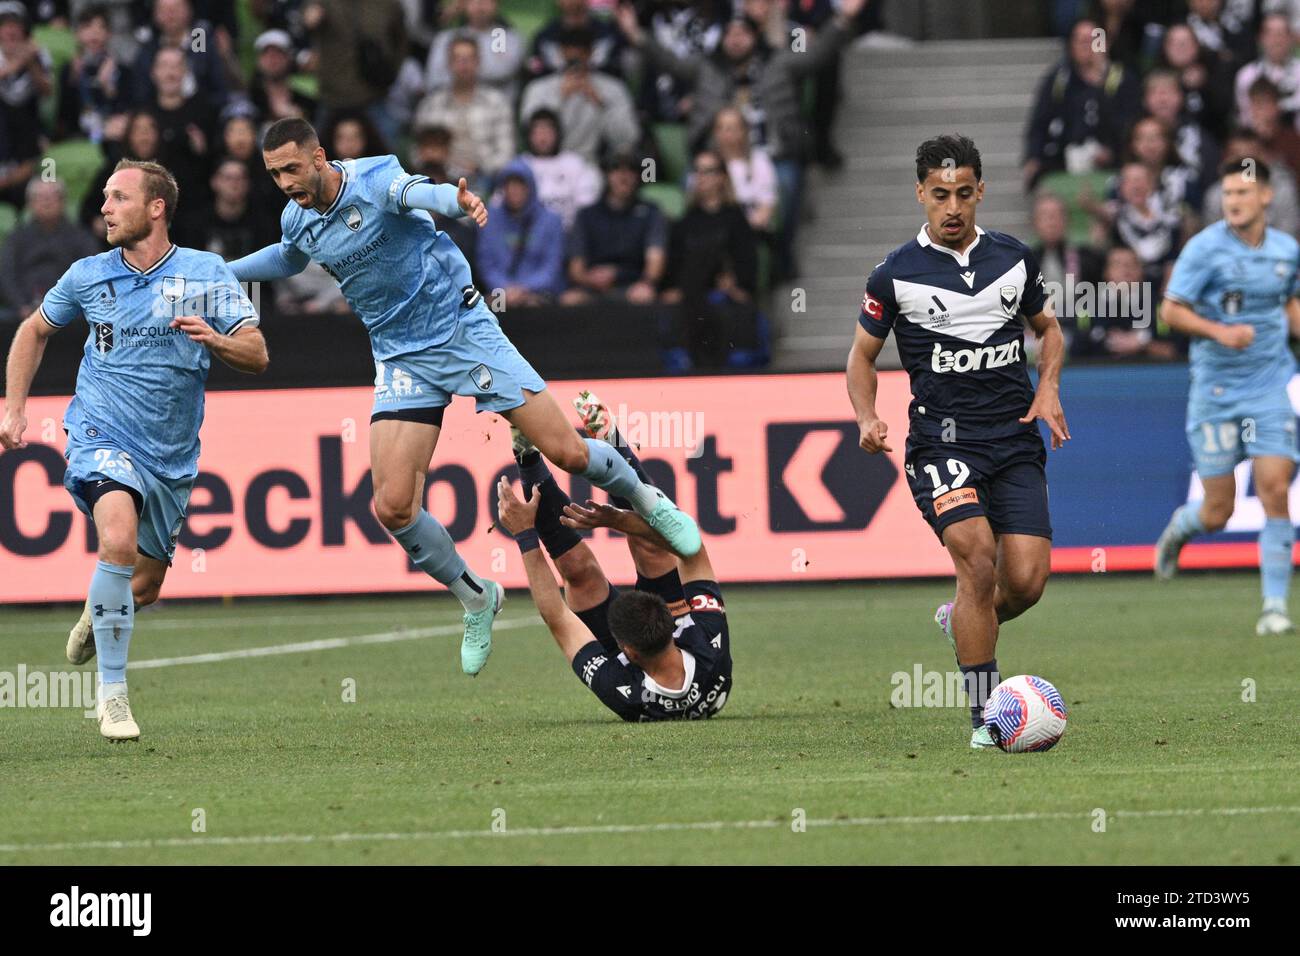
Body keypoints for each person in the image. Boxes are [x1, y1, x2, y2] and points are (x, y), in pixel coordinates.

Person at [226, 118, 703, 676]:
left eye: (291, 168)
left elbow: (415, 192)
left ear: (319, 157)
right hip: (400, 356)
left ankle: (650, 502)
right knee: (392, 505)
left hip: (462, 330)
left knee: (569, 454)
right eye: (274, 173)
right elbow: (289, 257)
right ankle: (477, 597)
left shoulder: (374, 177)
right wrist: (222, 270)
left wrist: (453, 201)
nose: (284, 181)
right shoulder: (296, 216)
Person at [0, 159, 267, 741]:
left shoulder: (205, 273)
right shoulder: (88, 274)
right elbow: (34, 330)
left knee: (141, 586)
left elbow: (257, 353)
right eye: (103, 198)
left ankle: (99, 613)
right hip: (101, 432)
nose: (104, 208)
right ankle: (113, 698)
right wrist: (14, 406)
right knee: (115, 539)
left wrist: (216, 340)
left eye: (118, 198)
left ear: (155, 208)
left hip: (170, 454)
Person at [846, 135, 1069, 749]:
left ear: (980, 193)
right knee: (975, 558)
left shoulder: (1014, 259)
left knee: (1024, 582)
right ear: (920, 193)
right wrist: (866, 415)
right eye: (940, 195)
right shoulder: (893, 275)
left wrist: (1047, 387)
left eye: (964, 195)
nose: (952, 208)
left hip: (1014, 438)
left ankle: (962, 621)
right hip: (943, 446)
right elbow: (861, 359)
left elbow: (1049, 332)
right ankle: (984, 720)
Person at [494, 393, 731, 721]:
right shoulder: (709, 648)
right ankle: (619, 454)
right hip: (677, 647)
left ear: (627, 652)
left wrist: (526, 531)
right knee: (654, 550)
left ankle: (527, 453)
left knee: (579, 573)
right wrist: (618, 519)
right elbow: (690, 548)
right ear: (672, 622)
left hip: (650, 653)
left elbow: (559, 616)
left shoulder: (623, 692)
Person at [1154, 157, 1300, 636]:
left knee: (1276, 487)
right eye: (1228, 194)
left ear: (1265, 197)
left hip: (1270, 385)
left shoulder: (1286, 250)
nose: (1233, 201)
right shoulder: (1203, 250)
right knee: (1219, 512)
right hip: (1216, 392)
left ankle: (1274, 607)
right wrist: (1219, 331)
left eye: (1242, 193)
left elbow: (1291, 303)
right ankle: (1181, 529)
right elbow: (1170, 312)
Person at [661, 149, 761, 368]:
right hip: (690, 298)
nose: (702, 177)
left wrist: (733, 285)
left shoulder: (736, 220)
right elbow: (672, 271)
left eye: (708, 171)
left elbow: (747, 269)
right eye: (697, 171)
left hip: (723, 297)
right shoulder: (685, 223)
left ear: (722, 177)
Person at [518, 25, 640, 167]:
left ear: (590, 54)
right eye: (571, 58)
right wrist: (559, 98)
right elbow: (527, 131)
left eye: (581, 55)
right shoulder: (538, 88)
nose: (576, 62)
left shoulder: (613, 88)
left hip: (590, 164)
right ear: (561, 53)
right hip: (544, 163)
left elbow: (628, 139)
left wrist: (601, 103)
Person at [563, 150, 666, 305]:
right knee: (570, 299)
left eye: (631, 169)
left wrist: (621, 275)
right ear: (606, 174)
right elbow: (576, 268)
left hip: (633, 284)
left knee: (644, 295)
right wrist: (590, 278)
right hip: (592, 286)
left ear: (638, 175)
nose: (623, 176)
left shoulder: (651, 212)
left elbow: (655, 266)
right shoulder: (587, 215)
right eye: (616, 168)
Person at [412, 33, 514, 189]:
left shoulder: (497, 102)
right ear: (448, 64)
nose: (464, 64)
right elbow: (416, 153)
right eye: (458, 59)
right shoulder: (431, 104)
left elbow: (506, 154)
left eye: (469, 59)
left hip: (484, 177)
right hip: (440, 178)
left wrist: (479, 168)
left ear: (478, 62)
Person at [0, 178, 99, 320]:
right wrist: (21, 306)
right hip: (23, 310)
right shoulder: (16, 238)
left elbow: (92, 275)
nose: (46, 202)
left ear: (63, 201)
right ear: (30, 203)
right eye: (39, 197)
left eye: (52, 196)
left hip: (71, 311)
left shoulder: (81, 237)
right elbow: (6, 275)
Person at [476, 159, 566, 307]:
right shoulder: (489, 218)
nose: (514, 189)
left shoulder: (551, 220)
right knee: (487, 309)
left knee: (534, 307)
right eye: (509, 184)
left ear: (531, 187)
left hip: (540, 292)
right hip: (501, 292)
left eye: (520, 184)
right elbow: (486, 265)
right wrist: (506, 289)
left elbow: (552, 266)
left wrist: (524, 288)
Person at [518, 107, 601, 232]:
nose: (543, 138)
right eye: (538, 131)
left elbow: (586, 204)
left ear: (558, 133)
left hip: (569, 233)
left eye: (548, 131)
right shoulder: (520, 165)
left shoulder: (575, 163)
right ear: (529, 135)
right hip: (528, 234)